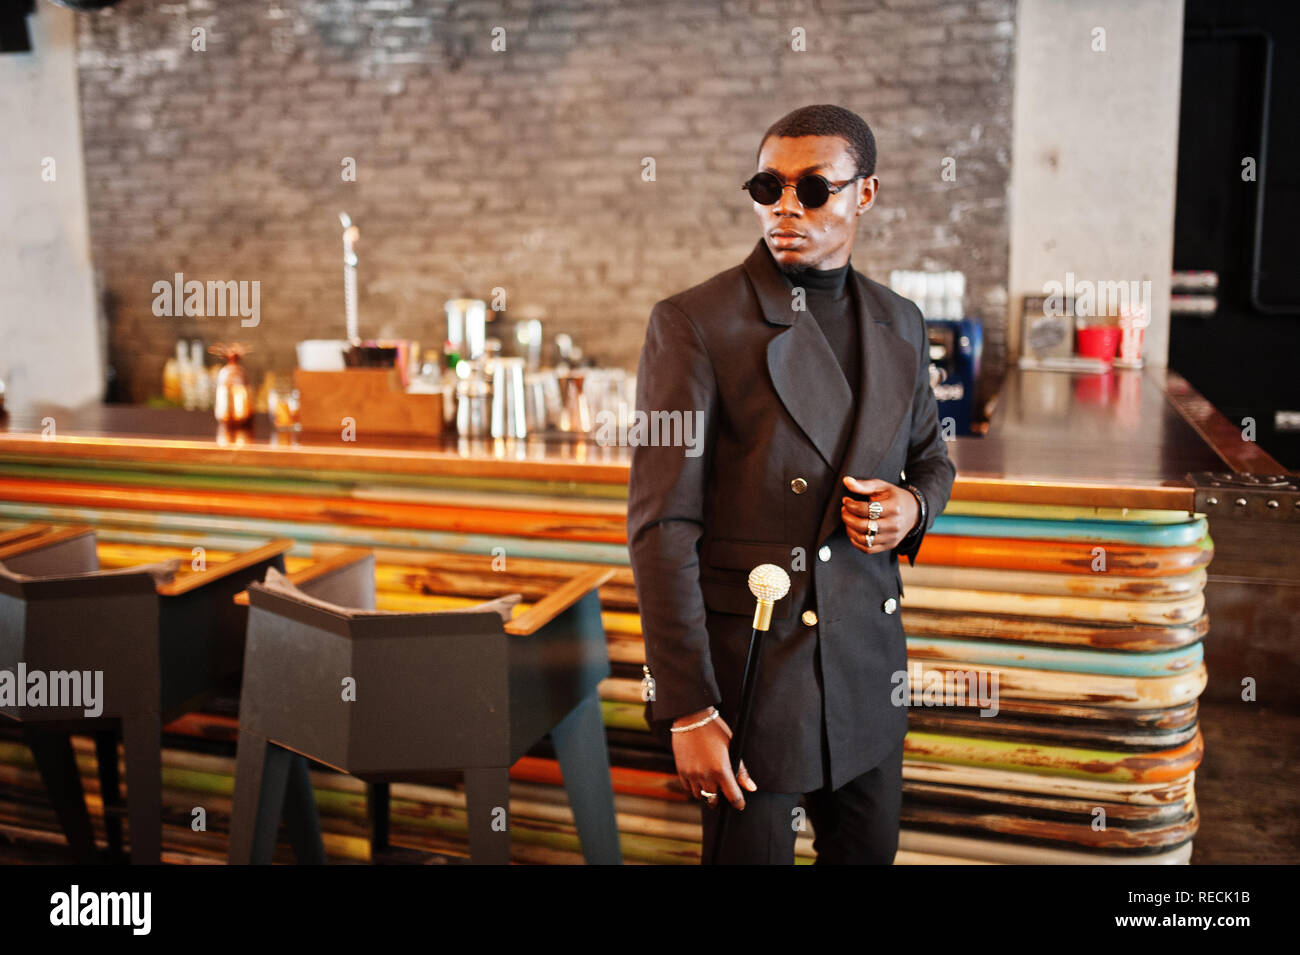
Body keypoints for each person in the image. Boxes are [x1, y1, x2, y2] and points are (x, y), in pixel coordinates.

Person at [626, 104, 957, 864]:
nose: (785, 206)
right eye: (768, 185)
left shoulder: (900, 322)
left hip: (868, 671)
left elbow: (932, 457)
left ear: (864, 194)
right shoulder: (695, 323)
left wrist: (914, 506)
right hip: (752, 681)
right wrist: (687, 708)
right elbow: (661, 527)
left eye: (813, 189)